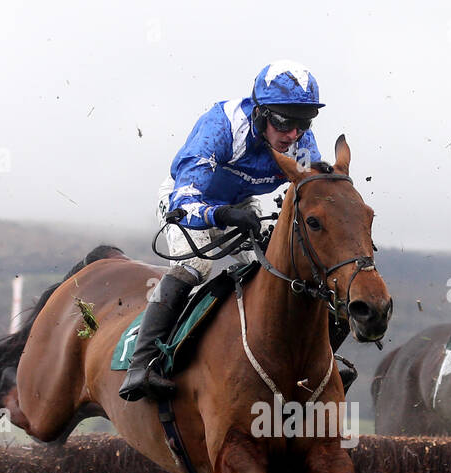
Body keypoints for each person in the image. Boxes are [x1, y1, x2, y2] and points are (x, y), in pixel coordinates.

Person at [119, 60, 325, 402]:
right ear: (259, 113)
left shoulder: (300, 141)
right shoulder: (222, 127)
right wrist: (222, 214)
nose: (294, 135)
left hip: (241, 205)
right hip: (188, 200)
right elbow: (185, 203)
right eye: (285, 122)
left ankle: (320, 359)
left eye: (304, 123)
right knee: (193, 269)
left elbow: (315, 188)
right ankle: (141, 365)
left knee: (278, 269)